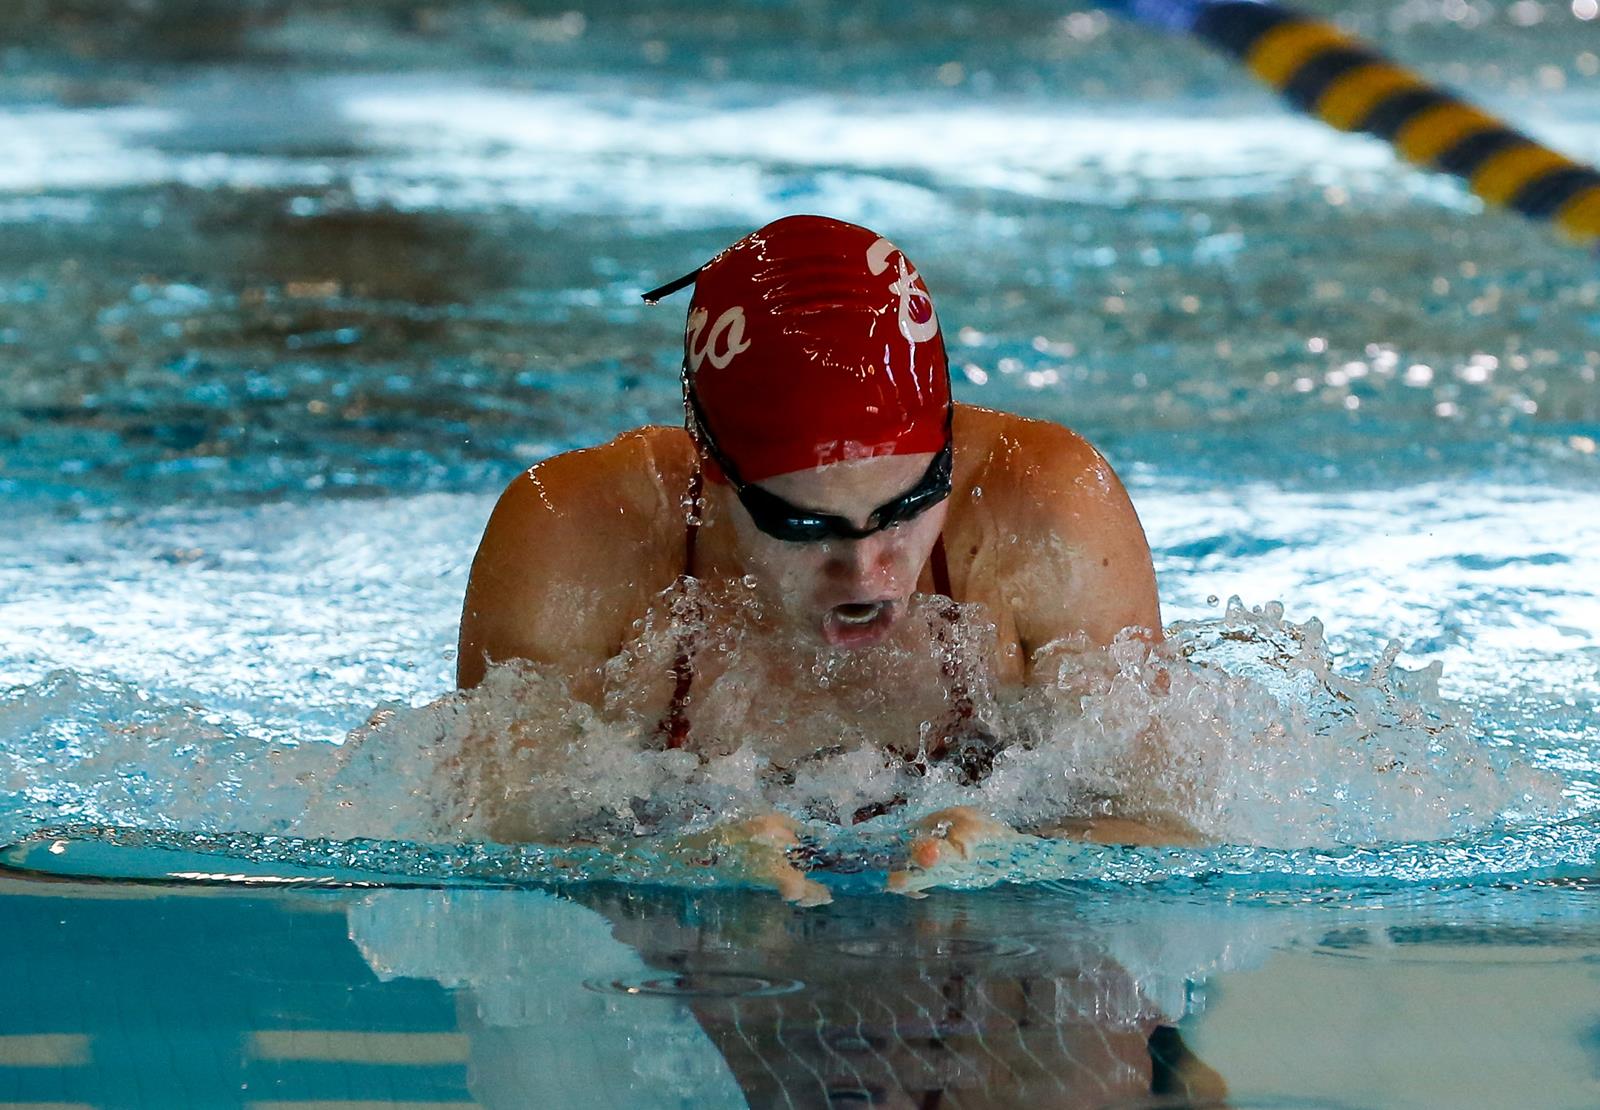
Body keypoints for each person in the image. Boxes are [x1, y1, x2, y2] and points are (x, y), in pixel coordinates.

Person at [456, 214, 1167, 902]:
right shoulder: (578, 535)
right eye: (803, 523)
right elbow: (485, 848)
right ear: (710, 467)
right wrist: (670, 869)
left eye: (905, 508)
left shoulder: (1048, 509)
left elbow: (1171, 822)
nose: (867, 574)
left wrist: (1037, 860)